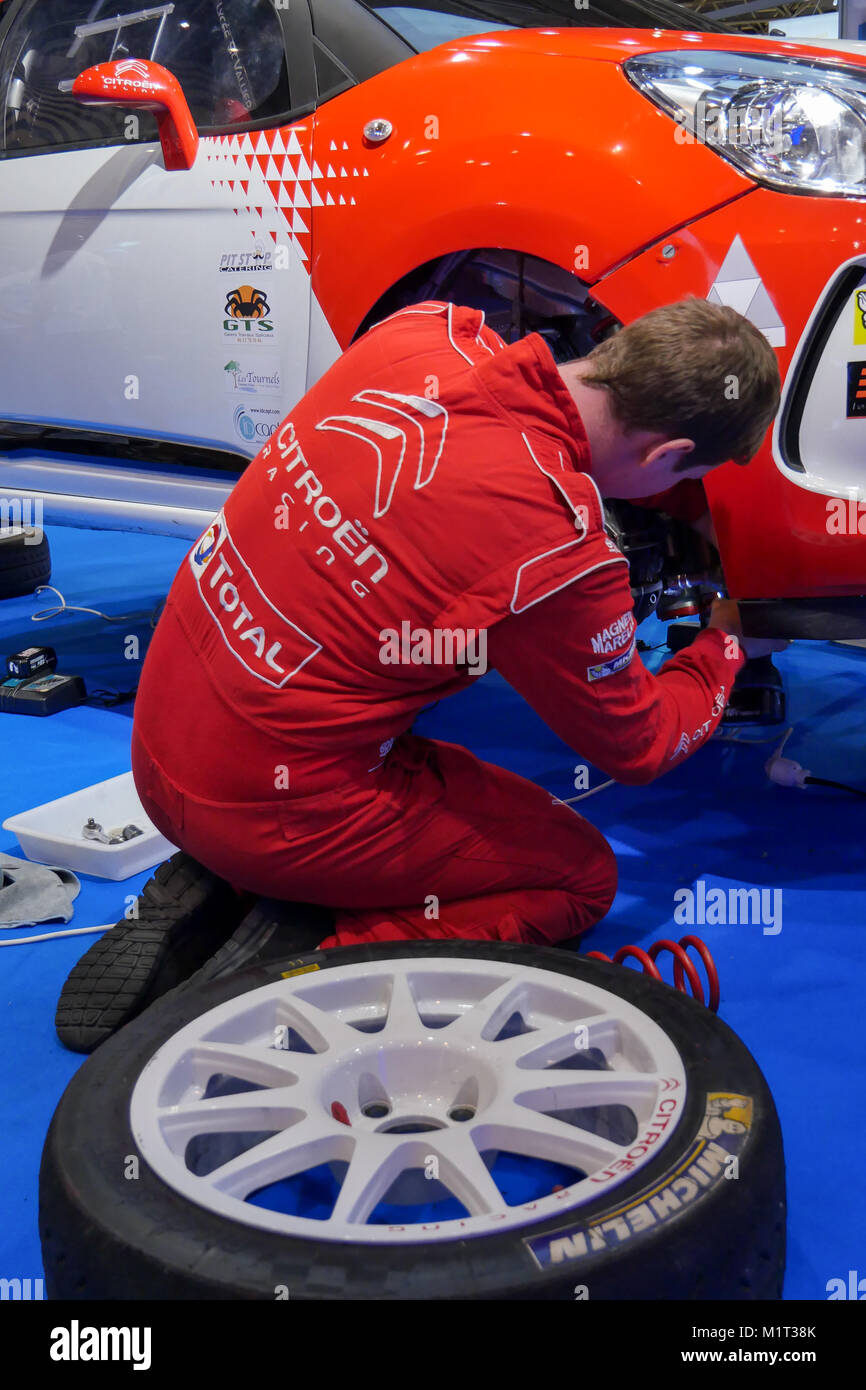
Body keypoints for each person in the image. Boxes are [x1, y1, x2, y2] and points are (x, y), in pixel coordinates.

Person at [57, 296, 783, 1051]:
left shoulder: (420, 334)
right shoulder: (554, 548)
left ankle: (246, 880)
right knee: (577, 877)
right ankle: (308, 962)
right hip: (265, 809)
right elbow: (643, 745)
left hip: (159, 746)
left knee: (392, 722)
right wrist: (725, 644)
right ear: (667, 459)